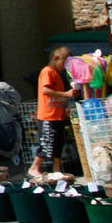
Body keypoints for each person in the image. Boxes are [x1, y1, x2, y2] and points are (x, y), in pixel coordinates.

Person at [28, 46, 76, 179]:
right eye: (64, 62)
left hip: (58, 115)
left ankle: (56, 168)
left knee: (58, 143)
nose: (65, 66)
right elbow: (46, 90)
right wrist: (66, 94)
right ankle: (34, 167)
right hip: (48, 115)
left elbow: (58, 95)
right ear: (56, 58)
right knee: (46, 143)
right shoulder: (47, 71)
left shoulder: (58, 75)